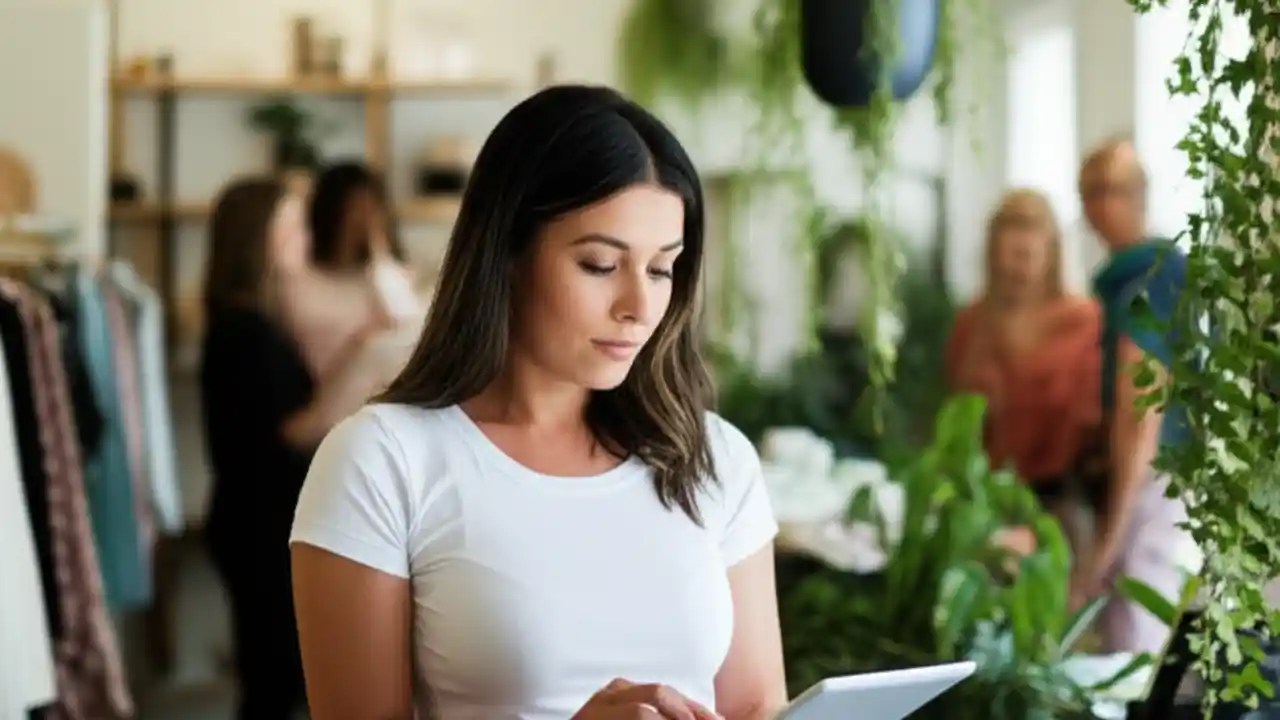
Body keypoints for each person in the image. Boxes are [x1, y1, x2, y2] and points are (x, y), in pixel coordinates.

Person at [289, 85, 788, 719]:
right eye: (602, 264)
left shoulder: (714, 458)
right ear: (508, 255)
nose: (638, 306)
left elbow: (757, 708)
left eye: (662, 269)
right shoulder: (383, 462)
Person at [199, 177, 396, 718]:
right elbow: (294, 429)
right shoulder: (246, 330)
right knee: (272, 682)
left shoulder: (255, 322)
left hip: (257, 518)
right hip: (255, 525)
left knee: (276, 675)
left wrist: (357, 347)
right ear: (258, 238)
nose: (301, 234)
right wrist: (364, 358)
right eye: (288, 224)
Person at [1077, 137, 1193, 653]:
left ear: (1141, 196)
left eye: (1114, 191)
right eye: (1091, 192)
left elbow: (1140, 410)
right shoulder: (1135, 275)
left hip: (1148, 482)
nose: (1101, 206)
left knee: (1134, 648)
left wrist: (1108, 538)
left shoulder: (1149, 277)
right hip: (1152, 479)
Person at [946, 189, 1103, 557]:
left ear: (1052, 249)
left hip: (1059, 507)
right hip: (983, 506)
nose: (1021, 250)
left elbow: (1095, 430)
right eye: (1012, 231)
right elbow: (955, 417)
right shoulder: (972, 324)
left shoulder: (1083, 322)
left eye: (1033, 232)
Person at [284, 160, 425, 380]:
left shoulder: (388, 276)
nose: (363, 220)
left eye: (372, 209)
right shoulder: (298, 280)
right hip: (323, 393)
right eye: (354, 209)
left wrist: (378, 252)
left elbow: (406, 326)